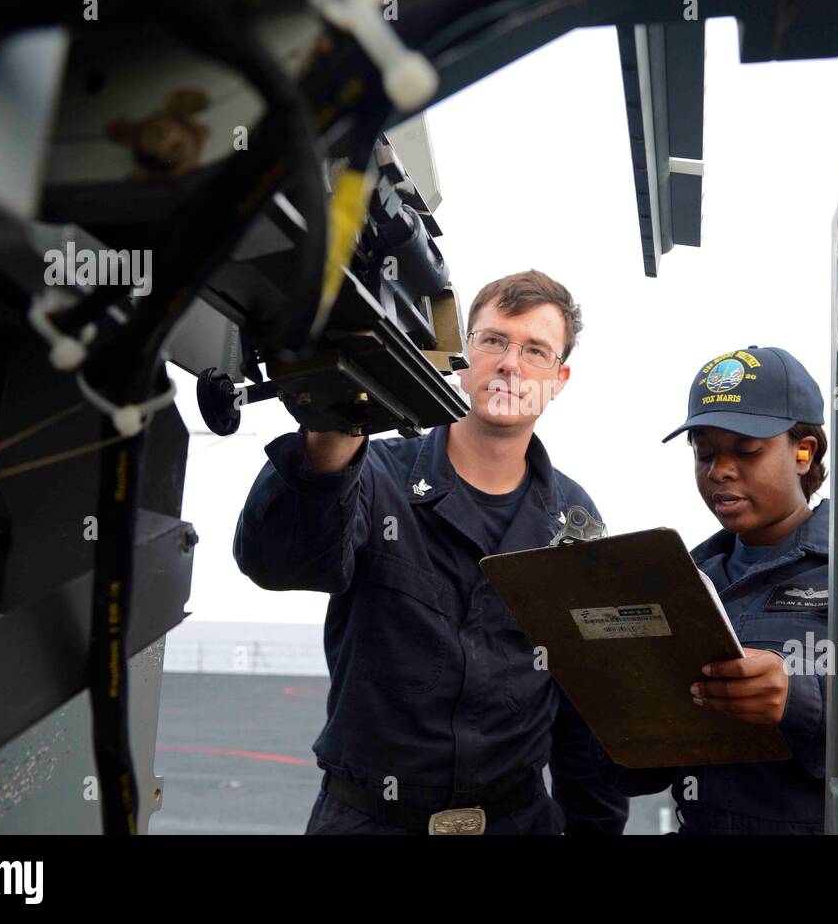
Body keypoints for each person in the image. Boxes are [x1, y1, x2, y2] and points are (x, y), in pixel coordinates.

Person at [232, 270, 628, 835]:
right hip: (370, 819)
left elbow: (582, 705)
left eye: (536, 351)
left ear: (559, 379)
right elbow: (280, 563)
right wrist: (331, 431)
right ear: (464, 354)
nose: (510, 364)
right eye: (493, 341)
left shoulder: (574, 519)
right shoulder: (368, 471)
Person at [599, 345, 830, 834]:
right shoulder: (678, 580)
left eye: (746, 450)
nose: (720, 470)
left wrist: (801, 699)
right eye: (705, 453)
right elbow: (642, 773)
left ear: (804, 452)